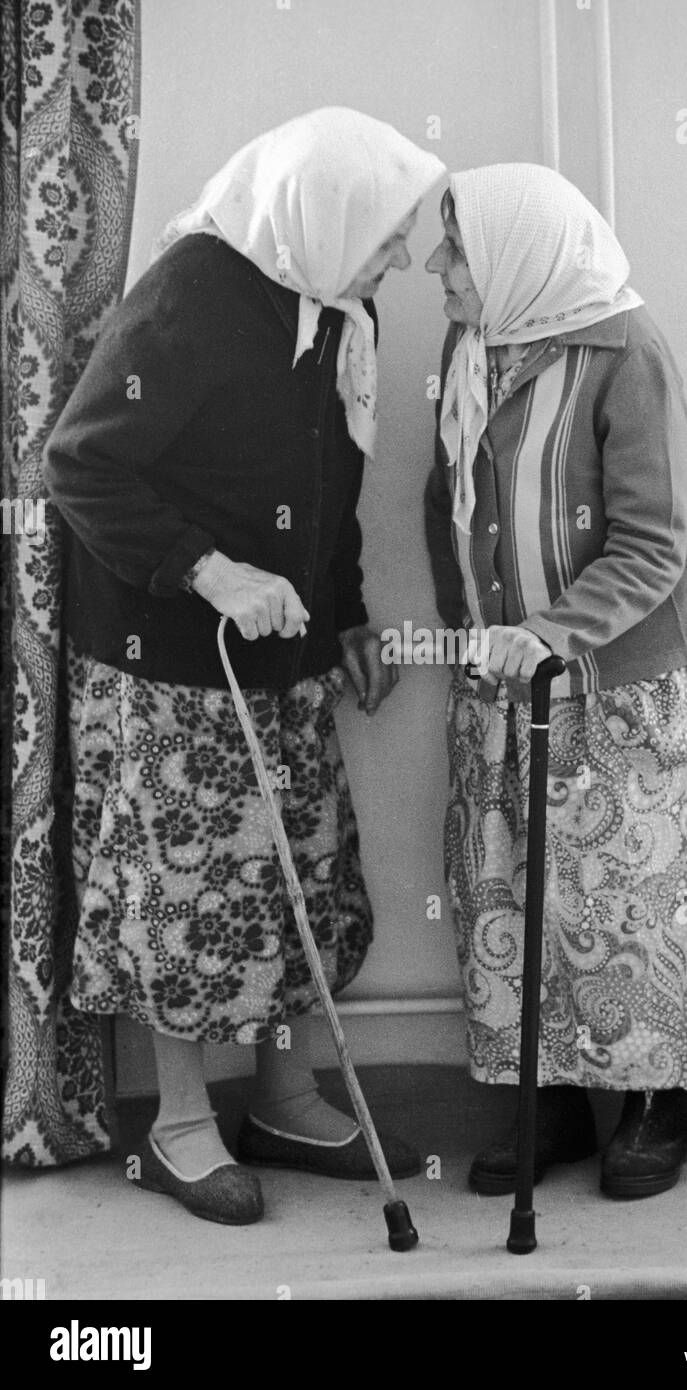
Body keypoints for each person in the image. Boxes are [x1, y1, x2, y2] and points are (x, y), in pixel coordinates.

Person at [43, 108, 445, 1225]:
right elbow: (79, 465)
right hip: (170, 658)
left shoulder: (333, 300)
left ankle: (282, 1094)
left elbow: (330, 483)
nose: (400, 261)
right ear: (324, 218)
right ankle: (178, 1125)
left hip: (285, 651)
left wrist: (351, 615)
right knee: (184, 896)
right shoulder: (194, 294)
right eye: (385, 237)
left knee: (291, 881)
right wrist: (208, 570)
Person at [424, 164, 687, 1201]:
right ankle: (550, 1096)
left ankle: (660, 1102)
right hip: (503, 680)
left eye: (457, 250)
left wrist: (550, 633)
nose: (438, 269)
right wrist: (470, 628)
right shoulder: (473, 341)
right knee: (516, 893)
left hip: (619, 679)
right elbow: (451, 492)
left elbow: (654, 542)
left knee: (634, 900)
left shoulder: (628, 351)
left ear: (518, 251)